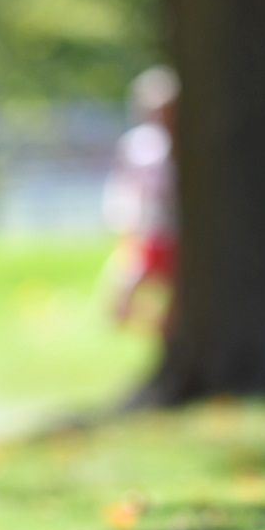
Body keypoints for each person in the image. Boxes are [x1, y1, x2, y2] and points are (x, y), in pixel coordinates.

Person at [103, 66, 178, 339]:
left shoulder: (188, 143)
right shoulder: (138, 144)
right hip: (148, 233)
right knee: (119, 300)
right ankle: (163, 331)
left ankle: (172, 333)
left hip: (176, 237)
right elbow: (124, 188)